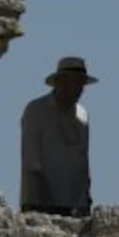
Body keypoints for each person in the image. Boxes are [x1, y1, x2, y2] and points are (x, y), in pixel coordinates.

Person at [20, 55, 96, 217]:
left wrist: (86, 199)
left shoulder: (83, 115)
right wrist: (41, 205)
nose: (77, 89)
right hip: (42, 203)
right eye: (71, 83)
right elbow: (31, 160)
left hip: (76, 205)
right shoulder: (36, 110)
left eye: (80, 84)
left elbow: (83, 160)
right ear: (59, 82)